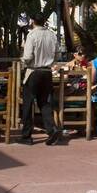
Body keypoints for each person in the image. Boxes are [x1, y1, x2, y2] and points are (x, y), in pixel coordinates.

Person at [19, 15, 63, 145]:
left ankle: (26, 136)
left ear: (33, 22)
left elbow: (27, 57)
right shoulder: (52, 35)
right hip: (47, 72)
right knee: (44, 102)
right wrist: (50, 62)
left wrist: (21, 60)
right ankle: (52, 129)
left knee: (28, 103)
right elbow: (57, 54)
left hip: (33, 71)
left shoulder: (32, 35)